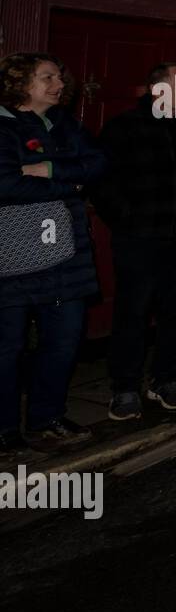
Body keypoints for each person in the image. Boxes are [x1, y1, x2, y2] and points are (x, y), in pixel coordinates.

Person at [95, 63, 176, 420]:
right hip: (138, 238)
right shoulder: (123, 128)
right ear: (158, 89)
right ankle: (124, 387)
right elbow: (102, 182)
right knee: (133, 310)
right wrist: (127, 218)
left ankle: (165, 379)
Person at [0, 53, 106, 452]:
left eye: (59, 77)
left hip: (67, 255)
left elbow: (97, 164)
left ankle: (48, 417)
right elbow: (6, 185)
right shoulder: (3, 126)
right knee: (6, 347)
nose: (57, 83)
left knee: (63, 340)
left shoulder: (64, 123)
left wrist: (47, 169)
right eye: (46, 77)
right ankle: (5, 429)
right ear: (20, 84)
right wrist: (70, 182)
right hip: (10, 256)